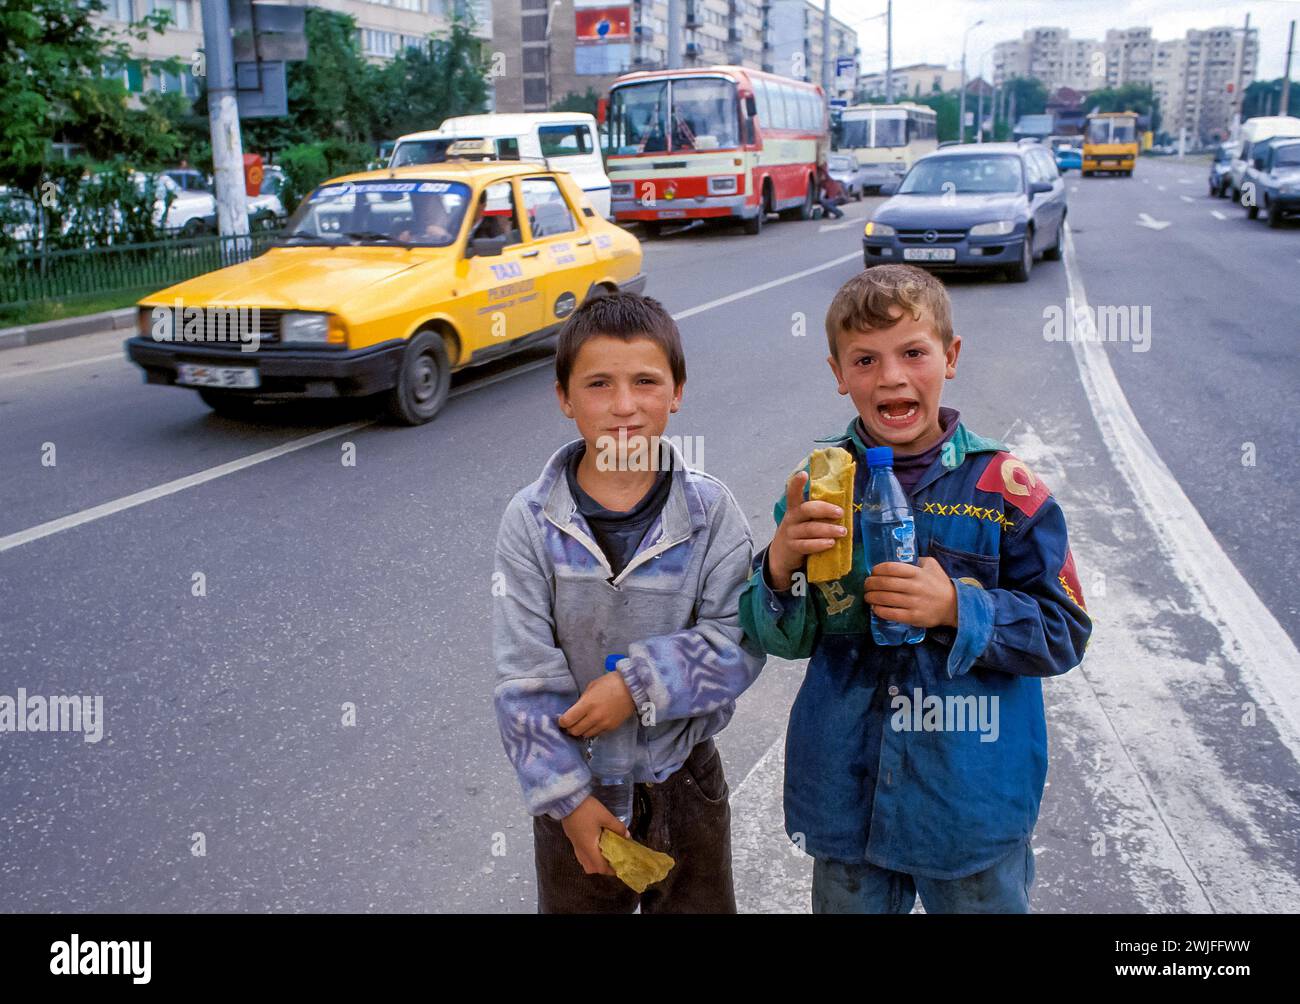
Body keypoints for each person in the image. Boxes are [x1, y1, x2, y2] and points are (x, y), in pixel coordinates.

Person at [738, 264, 1092, 913]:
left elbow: (1065, 631)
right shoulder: (818, 488)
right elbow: (779, 636)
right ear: (838, 373)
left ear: (950, 357)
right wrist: (780, 560)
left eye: (913, 353)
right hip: (849, 799)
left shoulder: (1003, 491)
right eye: (865, 360)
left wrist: (960, 607)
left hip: (967, 807)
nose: (892, 377)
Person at [492, 292, 767, 913]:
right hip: (576, 788)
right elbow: (522, 677)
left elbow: (741, 642)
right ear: (564, 396)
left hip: (686, 784)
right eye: (598, 384)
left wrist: (636, 685)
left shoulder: (710, 513)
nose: (623, 406)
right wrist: (568, 802)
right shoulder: (531, 520)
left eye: (645, 381)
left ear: (677, 391)